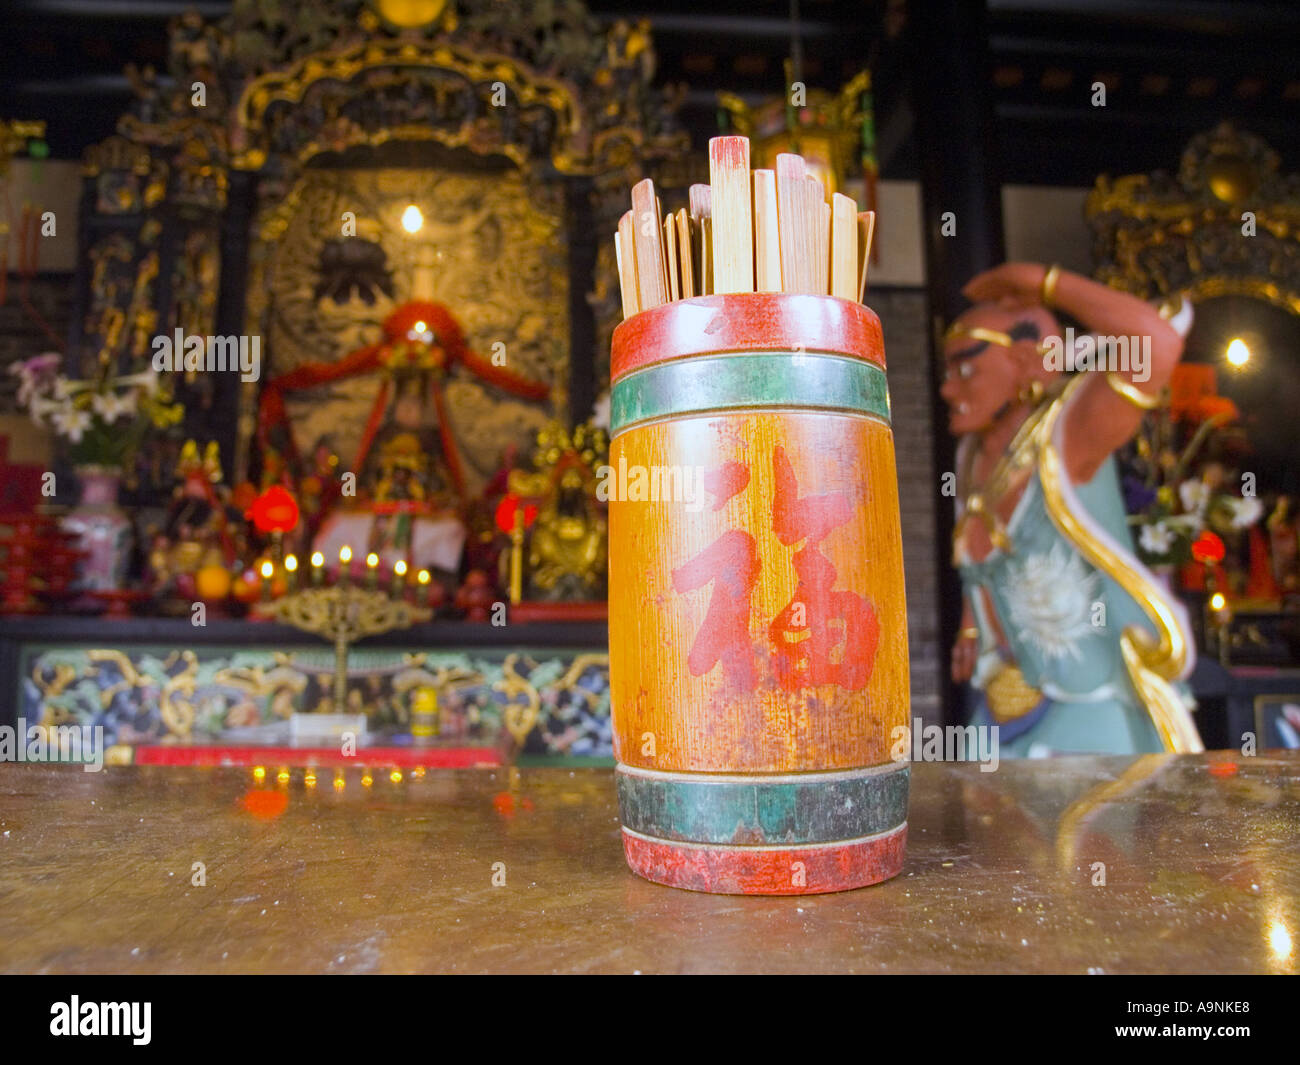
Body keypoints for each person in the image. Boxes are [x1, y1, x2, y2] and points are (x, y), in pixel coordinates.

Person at [943, 262, 1201, 756]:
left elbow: (1157, 343)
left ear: (1024, 360)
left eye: (965, 368)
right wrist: (972, 625)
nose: (948, 389)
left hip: (1091, 705)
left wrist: (1045, 282)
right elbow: (984, 566)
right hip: (1001, 707)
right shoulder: (971, 457)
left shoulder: (1068, 434)